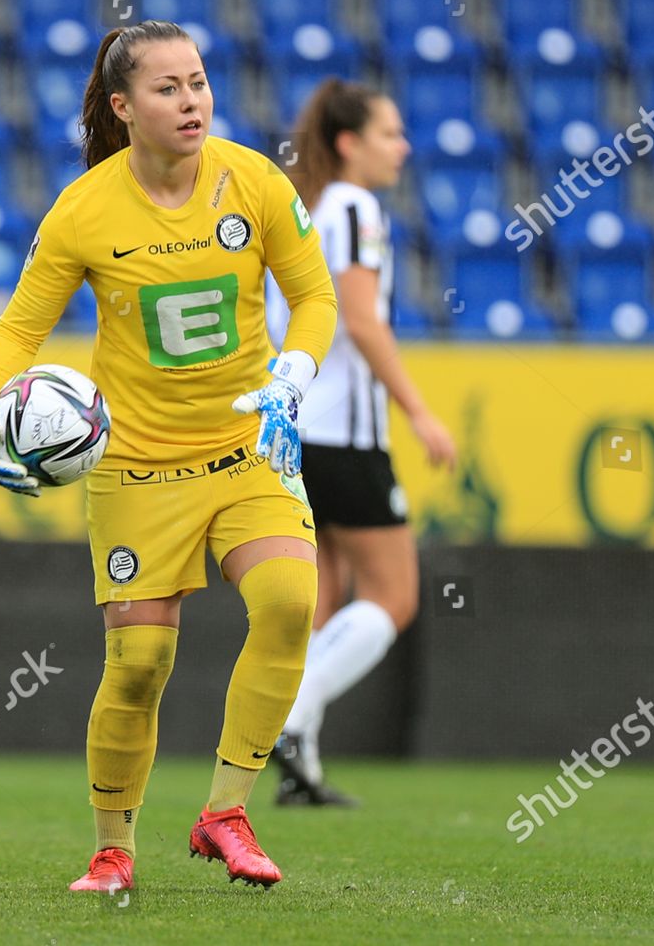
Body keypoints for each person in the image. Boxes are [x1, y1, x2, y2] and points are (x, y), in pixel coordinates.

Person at [0, 21, 337, 892]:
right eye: (168, 88)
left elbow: (314, 297)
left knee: (286, 603)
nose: (191, 100)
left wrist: (294, 375)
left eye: (198, 82)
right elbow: (21, 326)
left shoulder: (256, 180)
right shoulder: (84, 210)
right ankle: (113, 852)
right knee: (138, 667)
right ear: (124, 108)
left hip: (248, 443)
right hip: (135, 465)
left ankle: (225, 813)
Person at [265, 78, 457, 806]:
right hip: (341, 431)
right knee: (395, 596)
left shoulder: (303, 204)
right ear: (349, 143)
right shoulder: (352, 207)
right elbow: (361, 318)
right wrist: (418, 412)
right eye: (389, 134)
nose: (402, 148)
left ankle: (300, 765)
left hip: (292, 430)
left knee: (326, 595)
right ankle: (286, 720)